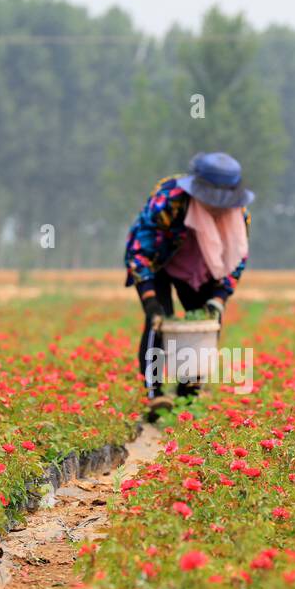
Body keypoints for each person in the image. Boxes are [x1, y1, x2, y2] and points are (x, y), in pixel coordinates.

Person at [124, 151, 253, 414]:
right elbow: (140, 250)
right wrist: (149, 298)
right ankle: (155, 395)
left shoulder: (240, 215)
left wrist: (219, 298)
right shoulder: (169, 202)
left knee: (204, 326)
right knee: (158, 322)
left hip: (204, 269)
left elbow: (237, 259)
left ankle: (187, 397)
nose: (216, 207)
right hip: (160, 263)